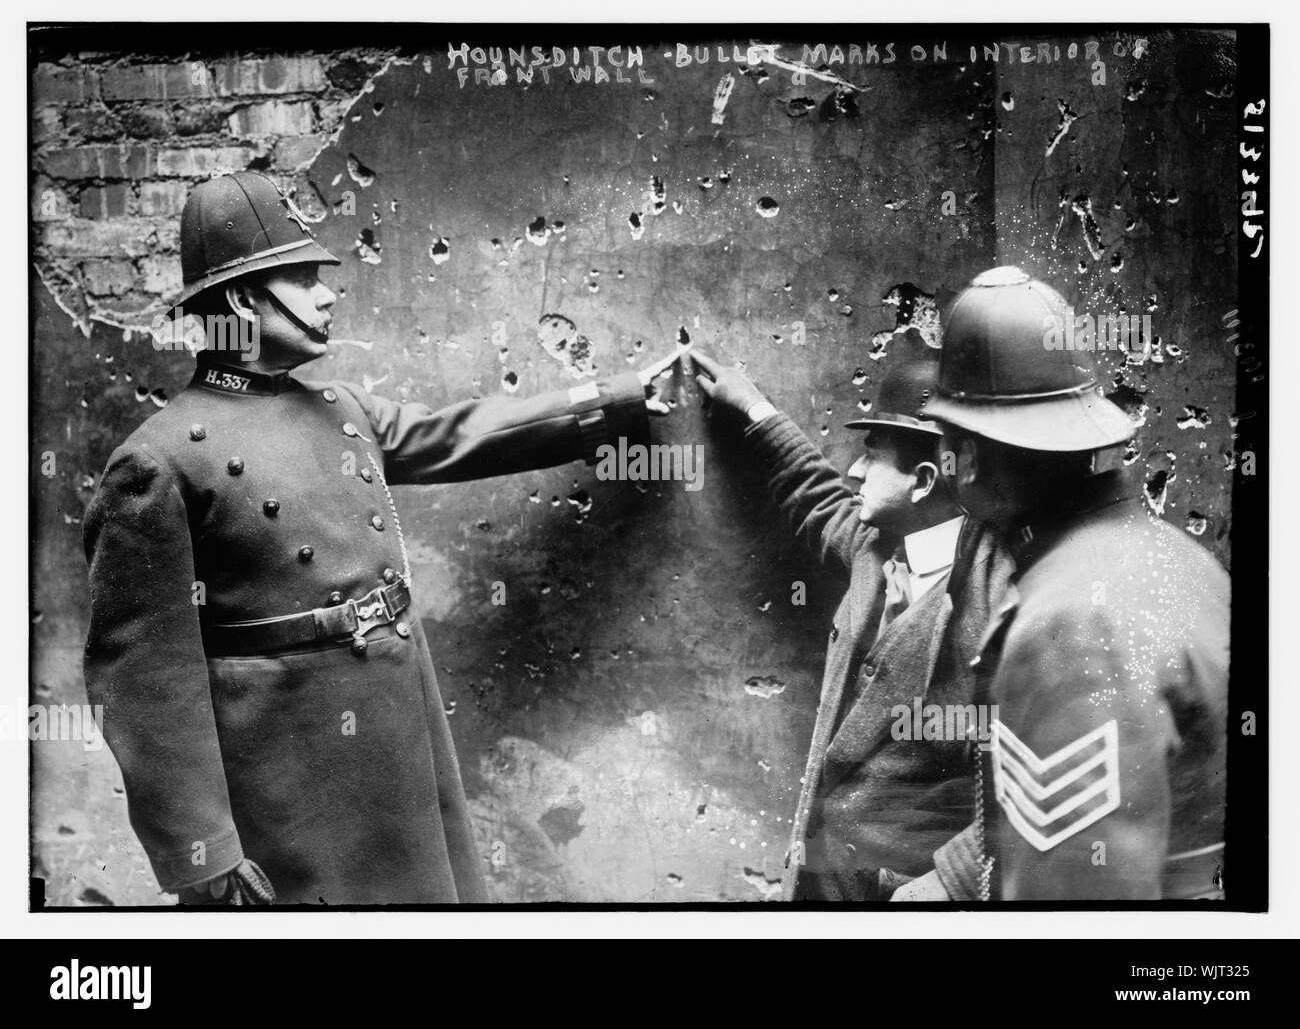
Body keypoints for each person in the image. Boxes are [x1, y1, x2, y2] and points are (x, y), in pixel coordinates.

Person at [83, 171, 676, 905]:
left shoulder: (340, 408)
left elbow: (455, 434)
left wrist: (610, 402)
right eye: (303, 279)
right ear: (241, 300)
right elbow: (144, 684)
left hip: (397, 735)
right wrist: (203, 855)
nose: (330, 294)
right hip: (288, 777)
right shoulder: (159, 460)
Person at [919, 266, 1229, 900]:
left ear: (971, 456)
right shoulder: (1174, 558)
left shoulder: (1069, 624)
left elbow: (1080, 900)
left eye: (947, 440)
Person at [690, 344, 1013, 901]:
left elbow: (1037, 781)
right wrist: (752, 408)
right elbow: (814, 493)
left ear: (924, 481)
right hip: (824, 881)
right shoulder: (877, 548)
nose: (854, 469)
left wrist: (948, 885)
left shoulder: (998, 596)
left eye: (872, 454)